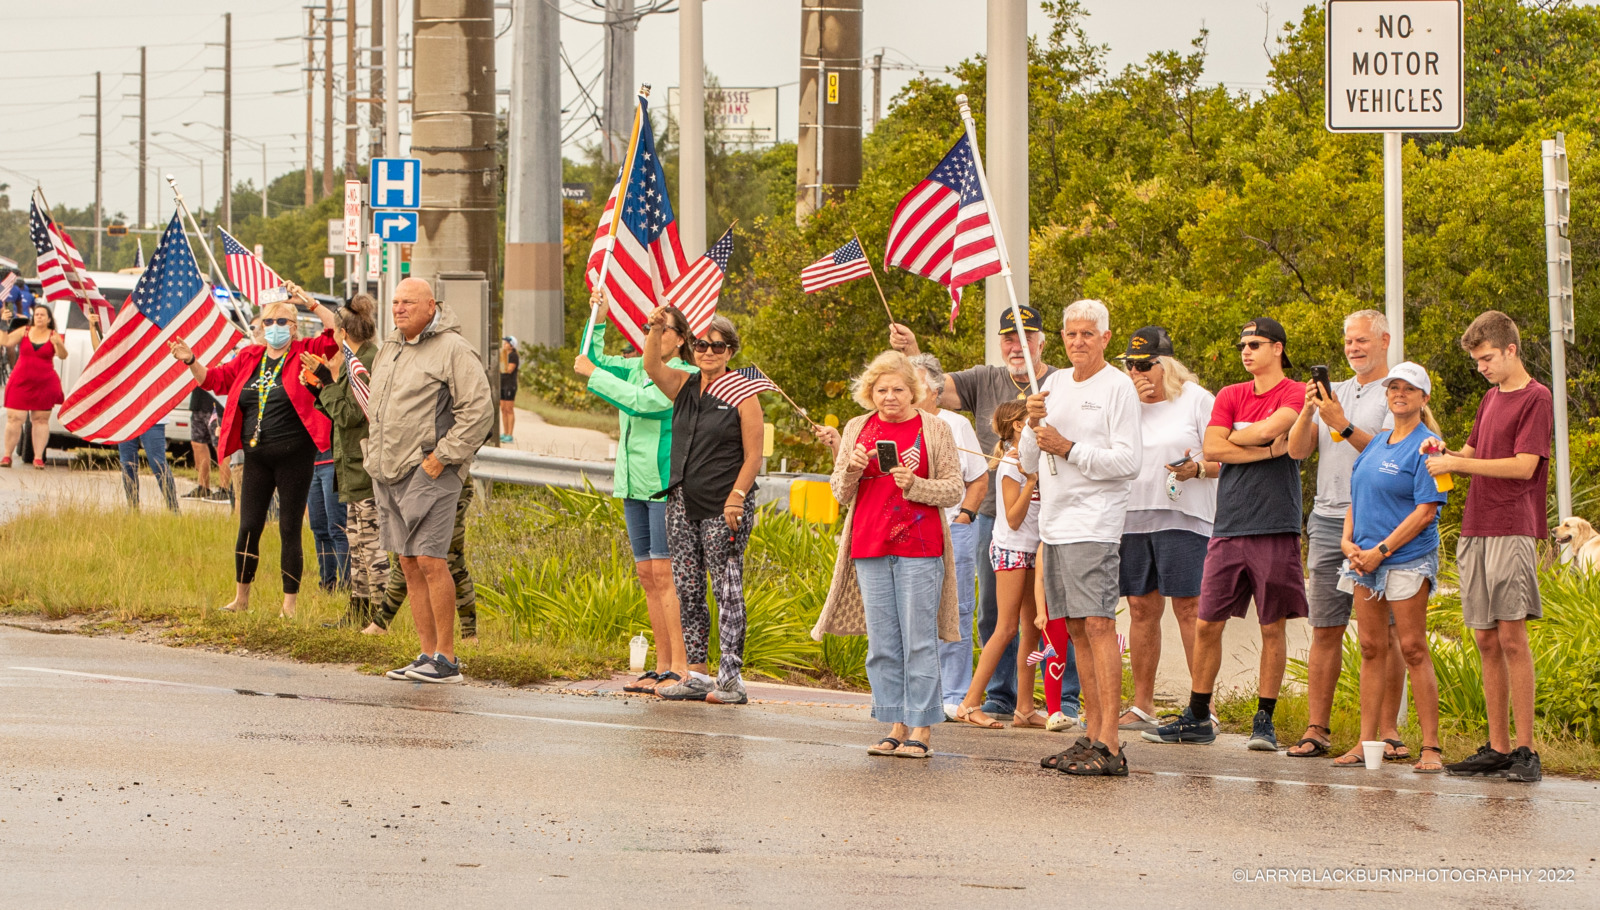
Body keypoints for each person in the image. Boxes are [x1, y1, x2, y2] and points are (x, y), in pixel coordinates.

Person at [890, 305, 1077, 722]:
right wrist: (914, 350)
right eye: (1009, 338)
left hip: (1055, 518)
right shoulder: (984, 378)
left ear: (1042, 341)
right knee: (996, 614)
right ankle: (999, 695)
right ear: (1000, 343)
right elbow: (931, 388)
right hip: (999, 516)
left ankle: (1061, 699)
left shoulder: (1062, 382)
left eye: (1026, 337)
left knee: (1053, 613)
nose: (1017, 345)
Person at [1146, 316, 1308, 751]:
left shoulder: (1293, 391)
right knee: (1206, 623)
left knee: (1272, 626)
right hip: (1229, 522)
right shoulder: (1231, 394)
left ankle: (1265, 720)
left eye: (1255, 343)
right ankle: (1199, 714)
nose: (1246, 350)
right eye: (1242, 344)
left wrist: (1253, 439)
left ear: (1278, 347)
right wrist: (1265, 450)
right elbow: (1214, 448)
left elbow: (1278, 430)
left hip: (1275, 521)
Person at [813, 350, 963, 758]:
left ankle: (922, 727)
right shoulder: (856, 428)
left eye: (898, 389)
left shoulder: (934, 429)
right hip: (869, 544)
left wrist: (915, 484)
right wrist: (852, 470)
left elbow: (955, 489)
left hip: (920, 544)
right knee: (883, 643)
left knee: (919, 639)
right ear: (870, 393)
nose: (890, 397)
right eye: (881, 390)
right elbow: (841, 494)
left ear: (913, 392)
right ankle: (895, 723)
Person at [1426, 311, 1550, 782]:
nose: (1482, 367)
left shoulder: (1536, 398)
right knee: (1483, 636)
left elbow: (1522, 466)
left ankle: (1525, 751)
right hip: (1477, 526)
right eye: (1478, 361)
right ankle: (1498, 748)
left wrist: (1459, 466)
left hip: (1512, 526)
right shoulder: (1489, 397)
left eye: (1488, 358)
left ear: (1510, 350)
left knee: (1512, 637)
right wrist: (1447, 456)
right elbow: (1476, 452)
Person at [1020, 299, 1142, 777]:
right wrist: (1032, 424)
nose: (1078, 342)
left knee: (1096, 626)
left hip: (1095, 523)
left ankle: (1111, 742)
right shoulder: (1051, 384)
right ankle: (1091, 734)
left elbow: (1128, 462)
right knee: (1071, 629)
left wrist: (1069, 449)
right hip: (1054, 524)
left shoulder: (1118, 389)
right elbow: (1029, 461)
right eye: (1071, 334)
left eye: (1087, 334)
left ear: (1106, 338)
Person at [171, 287, 338, 616]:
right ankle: (241, 598)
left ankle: (289, 605)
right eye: (268, 321)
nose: (274, 327)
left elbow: (336, 333)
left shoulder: (305, 351)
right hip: (256, 457)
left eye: (282, 321)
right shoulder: (249, 357)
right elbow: (213, 380)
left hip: (294, 455)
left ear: (293, 327)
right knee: (249, 526)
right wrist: (191, 360)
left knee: (290, 527)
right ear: (260, 326)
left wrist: (311, 304)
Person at [1284, 310, 1406, 759]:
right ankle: (1317, 728)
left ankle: (1387, 731)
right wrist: (1308, 411)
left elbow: (1391, 454)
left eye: (1362, 341)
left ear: (1384, 341)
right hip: (1327, 516)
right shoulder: (1337, 393)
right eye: (1348, 342)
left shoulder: (1396, 390)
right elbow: (1297, 451)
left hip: (1379, 522)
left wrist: (1340, 422)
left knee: (1386, 632)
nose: (1354, 348)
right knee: (1325, 626)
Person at [367, 277, 493, 684]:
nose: (399, 308)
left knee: (430, 560)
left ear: (431, 306)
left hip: (429, 473)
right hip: (389, 470)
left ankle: (447, 658)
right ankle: (425, 654)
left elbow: (478, 411)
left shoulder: (452, 348)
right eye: (396, 302)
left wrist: (442, 458)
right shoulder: (390, 347)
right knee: (407, 562)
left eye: (408, 302)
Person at [1331, 362, 1448, 773]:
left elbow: (1426, 511)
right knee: (1370, 649)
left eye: (1408, 388)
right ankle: (1367, 742)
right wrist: (1349, 543)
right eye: (1393, 387)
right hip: (1363, 561)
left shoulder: (1430, 445)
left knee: (1413, 648)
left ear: (1423, 397)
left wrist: (1381, 549)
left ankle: (1431, 747)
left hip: (1405, 560)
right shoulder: (1378, 441)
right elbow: (1356, 496)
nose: (1399, 393)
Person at [644, 310, 764, 705]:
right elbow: (651, 364)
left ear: (730, 351)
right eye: (701, 344)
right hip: (681, 501)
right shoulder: (684, 384)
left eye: (718, 346)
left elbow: (753, 456)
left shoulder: (742, 393)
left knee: (727, 589)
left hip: (723, 505)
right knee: (689, 588)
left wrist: (737, 496)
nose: (708, 352)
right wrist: (657, 327)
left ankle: (731, 680)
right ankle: (696, 673)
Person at [576, 297, 696, 695]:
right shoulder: (635, 368)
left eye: (662, 330)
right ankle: (660, 666)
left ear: (679, 340)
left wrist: (595, 374)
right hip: (631, 484)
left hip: (662, 486)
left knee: (666, 576)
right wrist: (599, 321)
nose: (655, 337)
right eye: (650, 330)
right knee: (647, 576)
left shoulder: (683, 374)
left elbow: (643, 404)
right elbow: (589, 358)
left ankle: (680, 665)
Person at [1114, 326, 1218, 733]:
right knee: (1140, 609)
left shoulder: (1197, 399)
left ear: (1167, 364)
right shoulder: (1123, 402)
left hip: (1185, 516)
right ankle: (1143, 704)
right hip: (1132, 516)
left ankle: (1201, 707)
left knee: (1189, 609)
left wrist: (1198, 468)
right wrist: (1128, 406)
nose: (1138, 373)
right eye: (1130, 365)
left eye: (1145, 365)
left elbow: (1224, 455)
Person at [906, 353, 990, 720]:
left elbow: (979, 477)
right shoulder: (895, 425)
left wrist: (966, 517)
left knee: (955, 610)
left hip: (953, 528)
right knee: (912, 612)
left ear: (936, 390)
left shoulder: (956, 425)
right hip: (908, 529)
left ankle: (954, 692)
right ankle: (915, 690)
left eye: (916, 383)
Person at [951, 401, 1040, 730]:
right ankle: (969, 703)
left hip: (1034, 550)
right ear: (1019, 426)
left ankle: (1025, 708)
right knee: (1006, 628)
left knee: (1032, 629)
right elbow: (1014, 520)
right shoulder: (1011, 466)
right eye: (1033, 420)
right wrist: (1031, 482)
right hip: (1012, 549)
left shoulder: (1033, 460)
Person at [308, 295, 383, 629]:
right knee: (356, 543)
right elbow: (340, 412)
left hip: (363, 465)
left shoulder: (362, 363)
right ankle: (359, 612)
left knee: (370, 545)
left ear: (342, 333)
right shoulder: (358, 358)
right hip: (351, 465)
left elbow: (352, 414)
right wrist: (320, 390)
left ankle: (380, 618)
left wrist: (325, 383)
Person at [368, 485, 479, 638]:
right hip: (415, 489)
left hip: (447, 488)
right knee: (406, 558)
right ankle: (380, 624)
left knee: (452, 561)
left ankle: (469, 635)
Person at [2, 303, 66, 469]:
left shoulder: (53, 335)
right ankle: (7, 455)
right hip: (21, 380)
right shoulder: (24, 331)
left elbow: (63, 355)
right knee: (15, 418)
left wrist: (58, 343)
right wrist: (2, 324)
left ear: (49, 319)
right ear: (33, 317)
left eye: (42, 315)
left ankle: (38, 457)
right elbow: (6, 341)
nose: (39, 317)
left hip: (44, 382)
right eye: (36, 314)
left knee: (40, 419)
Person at [182, 387, 233, 503]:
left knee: (220, 446)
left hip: (217, 405)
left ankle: (224, 489)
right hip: (198, 403)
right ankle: (203, 487)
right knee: (197, 443)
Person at [499, 336, 520, 443]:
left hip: (510, 385)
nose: (505, 344)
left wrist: (500, 367)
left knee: (509, 409)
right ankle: (505, 432)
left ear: (511, 345)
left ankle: (510, 434)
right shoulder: (503, 354)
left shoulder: (513, 356)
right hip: (502, 384)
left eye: (507, 343)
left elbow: (509, 369)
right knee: (503, 408)